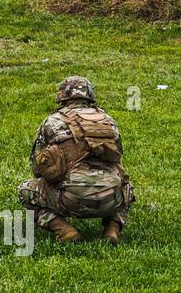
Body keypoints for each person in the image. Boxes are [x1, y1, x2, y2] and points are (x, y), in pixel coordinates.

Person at [18, 76, 135, 244]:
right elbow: (118, 157)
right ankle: (113, 228)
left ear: (62, 97)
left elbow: (37, 168)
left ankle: (64, 230)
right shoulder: (108, 121)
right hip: (111, 198)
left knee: (25, 191)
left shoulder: (52, 121)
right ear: (90, 96)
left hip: (69, 199)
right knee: (128, 189)